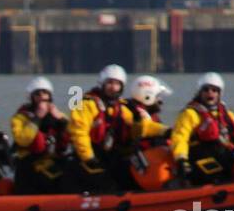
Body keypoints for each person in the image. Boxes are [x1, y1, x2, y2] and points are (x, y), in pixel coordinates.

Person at [68, 64, 167, 193]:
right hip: (89, 157)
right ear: (102, 83)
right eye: (110, 83)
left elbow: (143, 126)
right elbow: (79, 132)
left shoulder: (122, 107)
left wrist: (165, 131)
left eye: (117, 84)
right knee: (106, 182)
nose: (113, 87)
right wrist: (88, 157)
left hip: (110, 156)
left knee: (130, 175)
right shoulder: (86, 104)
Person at [170, 72, 234, 185]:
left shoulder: (226, 114)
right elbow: (180, 137)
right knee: (208, 178)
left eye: (214, 90)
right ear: (200, 92)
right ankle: (196, 203)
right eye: (206, 89)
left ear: (219, 93)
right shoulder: (190, 114)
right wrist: (181, 159)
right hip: (200, 158)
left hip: (223, 155)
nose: (210, 93)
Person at [10, 76, 72, 195]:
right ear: (32, 97)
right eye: (37, 94)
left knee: (72, 170)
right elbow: (23, 139)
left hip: (54, 159)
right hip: (31, 164)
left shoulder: (58, 115)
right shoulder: (21, 118)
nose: (42, 96)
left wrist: (61, 121)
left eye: (45, 93)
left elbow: (73, 135)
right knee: (55, 178)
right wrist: (37, 118)